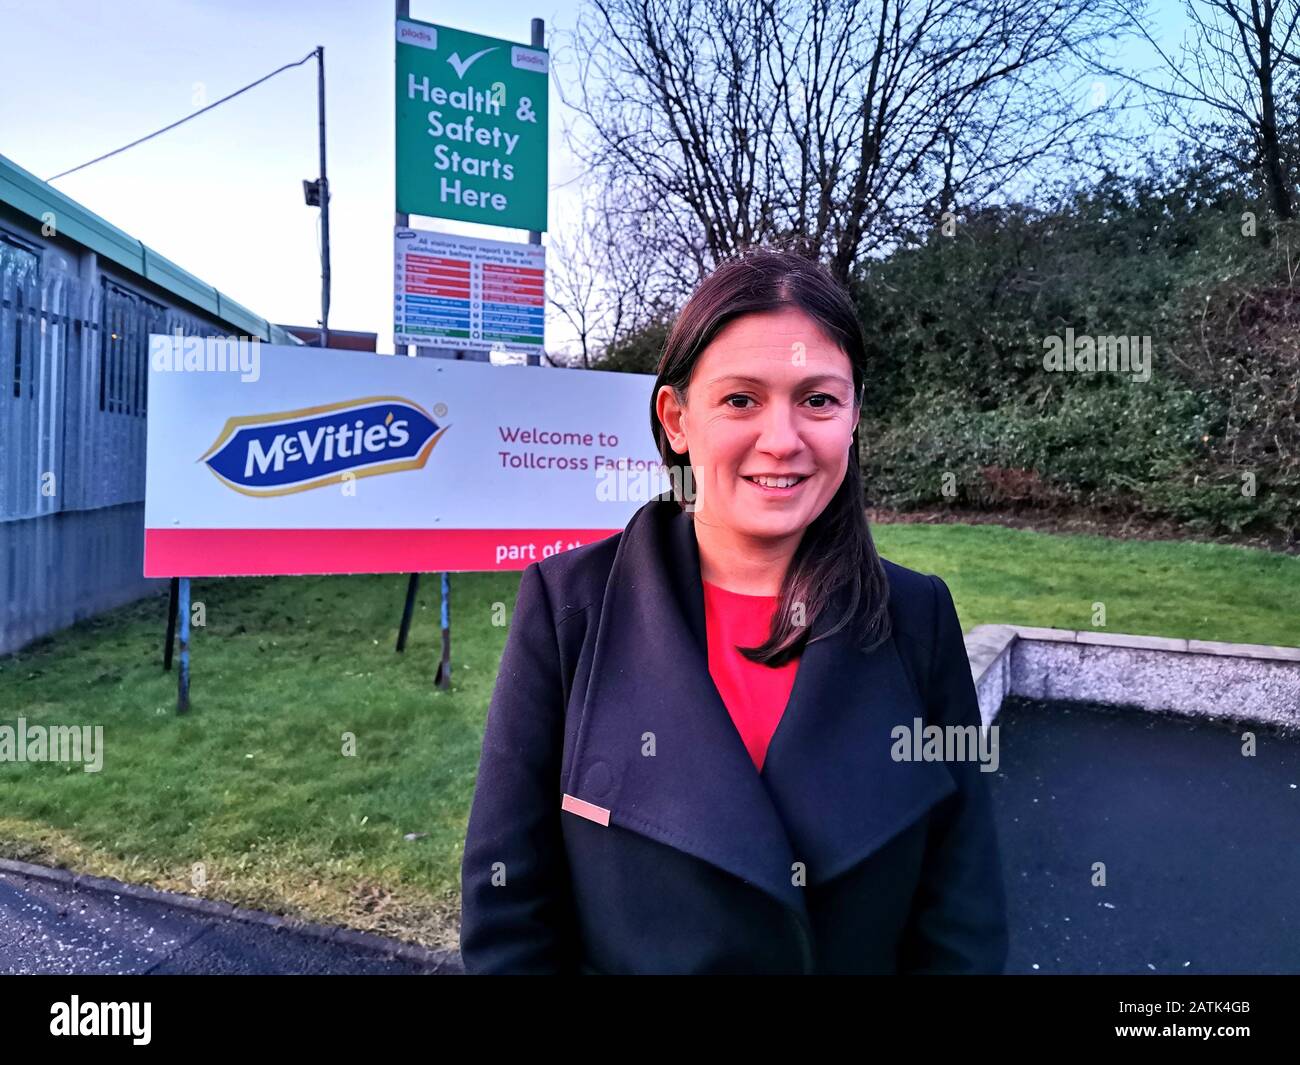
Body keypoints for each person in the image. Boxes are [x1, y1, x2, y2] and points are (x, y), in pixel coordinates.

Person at [459, 245, 1010, 974]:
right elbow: (510, 920)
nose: (781, 440)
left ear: (852, 418)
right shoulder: (568, 611)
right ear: (676, 418)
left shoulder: (919, 619)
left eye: (818, 398)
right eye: (741, 398)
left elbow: (961, 918)